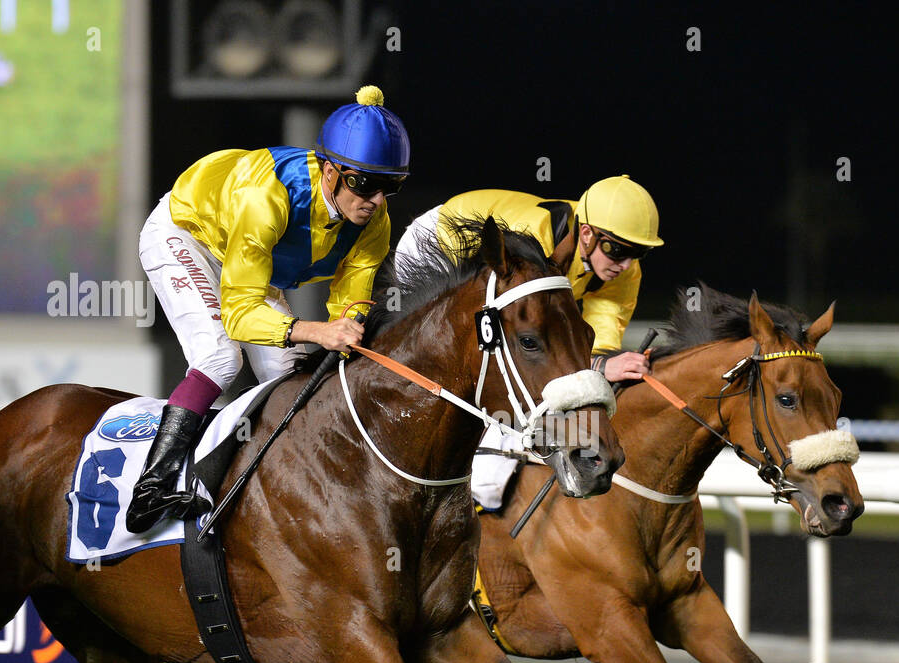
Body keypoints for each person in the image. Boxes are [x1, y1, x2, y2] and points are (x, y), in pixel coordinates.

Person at [125, 85, 409, 533]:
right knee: (221, 356)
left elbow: (348, 306)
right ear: (329, 171)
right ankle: (152, 487)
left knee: (288, 374)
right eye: (363, 183)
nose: (374, 200)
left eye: (388, 186)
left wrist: (350, 333)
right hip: (188, 234)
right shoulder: (269, 197)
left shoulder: (375, 223)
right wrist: (319, 332)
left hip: (255, 262)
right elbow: (240, 314)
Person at [393, 176, 663, 510]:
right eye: (617, 249)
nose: (624, 264)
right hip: (441, 244)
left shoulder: (624, 272)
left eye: (638, 253)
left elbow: (594, 334)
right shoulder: (535, 237)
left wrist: (603, 365)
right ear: (588, 234)